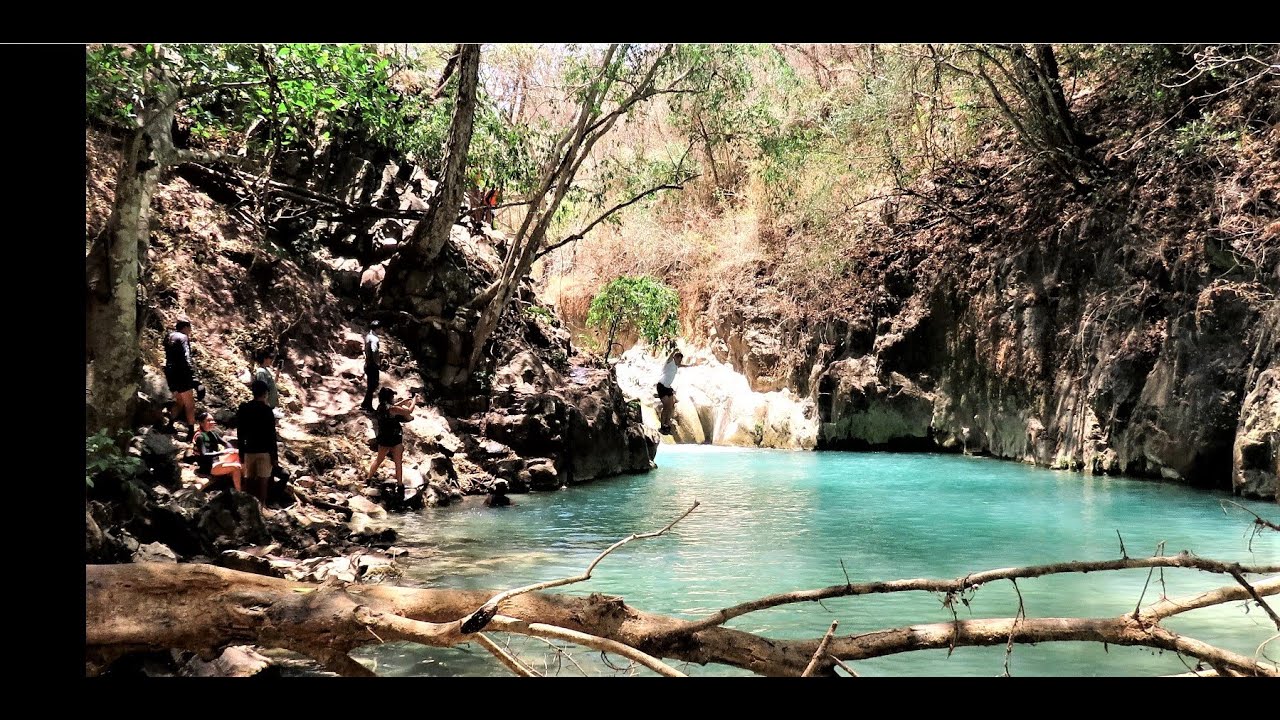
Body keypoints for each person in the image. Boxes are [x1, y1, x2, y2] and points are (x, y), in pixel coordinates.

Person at [236, 379, 278, 504]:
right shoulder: (267, 411)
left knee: (249, 482)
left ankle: (248, 508)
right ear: (265, 393)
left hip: (249, 450)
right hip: (265, 452)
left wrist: (241, 454)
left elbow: (240, 433)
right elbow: (272, 436)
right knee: (263, 483)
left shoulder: (244, 408)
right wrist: (274, 457)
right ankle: (261, 507)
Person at [364, 386, 414, 486]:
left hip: (383, 438)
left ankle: (368, 479)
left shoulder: (380, 407)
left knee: (378, 460)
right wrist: (414, 401)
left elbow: (393, 407)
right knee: (398, 462)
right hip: (395, 438)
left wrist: (402, 402)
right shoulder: (392, 409)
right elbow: (409, 411)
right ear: (389, 397)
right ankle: (400, 485)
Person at [164, 319, 199, 443]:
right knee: (190, 404)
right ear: (185, 327)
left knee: (179, 400)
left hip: (170, 373)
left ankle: (169, 425)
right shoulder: (183, 338)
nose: (190, 332)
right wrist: (194, 377)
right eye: (189, 329)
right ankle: (191, 433)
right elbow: (187, 356)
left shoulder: (169, 337)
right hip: (181, 373)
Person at [193, 411, 242, 493]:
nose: (212, 422)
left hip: (216, 461)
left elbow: (225, 443)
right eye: (208, 420)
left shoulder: (212, 434)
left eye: (212, 420)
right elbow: (204, 454)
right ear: (201, 423)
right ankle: (239, 492)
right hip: (208, 467)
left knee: (238, 455)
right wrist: (224, 452)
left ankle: (237, 479)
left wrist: (232, 450)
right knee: (236, 467)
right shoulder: (200, 437)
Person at [655, 349, 701, 435]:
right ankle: (662, 426)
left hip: (668, 388)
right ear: (675, 358)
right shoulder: (669, 363)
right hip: (661, 386)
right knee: (666, 407)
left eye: (680, 360)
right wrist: (673, 351)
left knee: (671, 407)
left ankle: (667, 425)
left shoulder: (676, 365)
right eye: (679, 359)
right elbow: (669, 357)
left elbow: (681, 365)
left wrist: (691, 365)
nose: (680, 361)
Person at [360, 321, 381, 412]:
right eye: (381, 328)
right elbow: (374, 350)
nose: (382, 330)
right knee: (373, 386)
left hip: (367, 364)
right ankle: (368, 407)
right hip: (373, 365)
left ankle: (365, 404)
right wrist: (378, 363)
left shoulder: (368, 336)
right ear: (378, 328)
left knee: (370, 386)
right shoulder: (375, 339)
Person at [254, 347, 282, 417]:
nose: (271, 360)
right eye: (270, 358)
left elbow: (272, 384)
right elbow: (262, 391)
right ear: (265, 359)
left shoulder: (265, 370)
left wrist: (278, 372)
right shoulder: (261, 372)